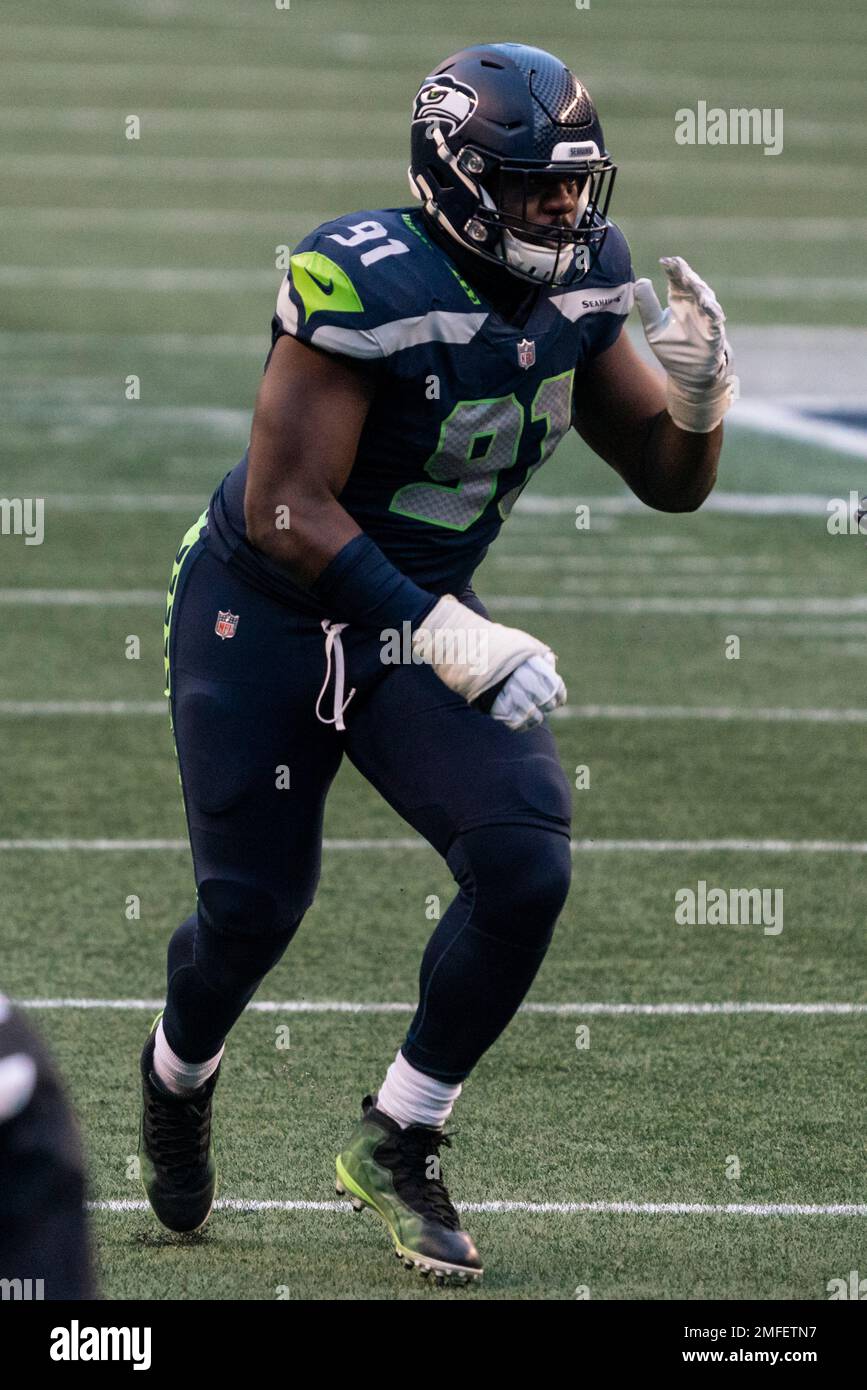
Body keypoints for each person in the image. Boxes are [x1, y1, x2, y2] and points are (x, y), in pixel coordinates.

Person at [139, 42, 734, 1285]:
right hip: (267, 607)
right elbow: (284, 508)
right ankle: (178, 1069)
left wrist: (697, 408)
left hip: (418, 610)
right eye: (534, 186)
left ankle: (401, 1135)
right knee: (252, 914)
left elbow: (667, 487)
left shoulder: (584, 286)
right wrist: (447, 627)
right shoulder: (366, 278)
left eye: (576, 186)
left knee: (524, 859)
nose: (565, 210)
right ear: (458, 178)